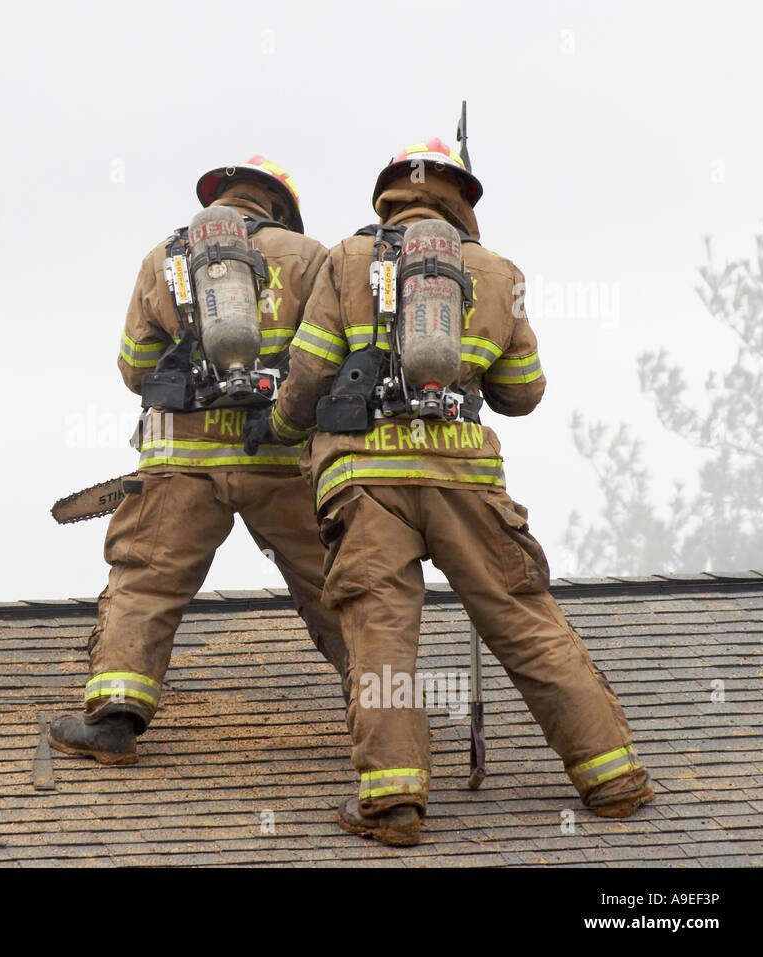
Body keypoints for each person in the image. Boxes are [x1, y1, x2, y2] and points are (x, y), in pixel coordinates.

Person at [256, 138, 653, 845]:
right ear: (462, 200)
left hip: (363, 478)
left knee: (380, 635)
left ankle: (394, 802)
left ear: (389, 195)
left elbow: (311, 368)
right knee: (526, 620)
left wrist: (282, 426)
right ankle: (613, 777)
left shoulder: (348, 259)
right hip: (466, 477)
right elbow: (522, 393)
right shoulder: (500, 272)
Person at [48, 156, 348, 766]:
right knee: (337, 584)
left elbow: (136, 368)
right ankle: (386, 708)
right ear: (280, 206)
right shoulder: (311, 255)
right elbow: (330, 359)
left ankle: (114, 722)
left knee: (146, 581)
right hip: (282, 456)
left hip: (181, 461)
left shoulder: (162, 256)